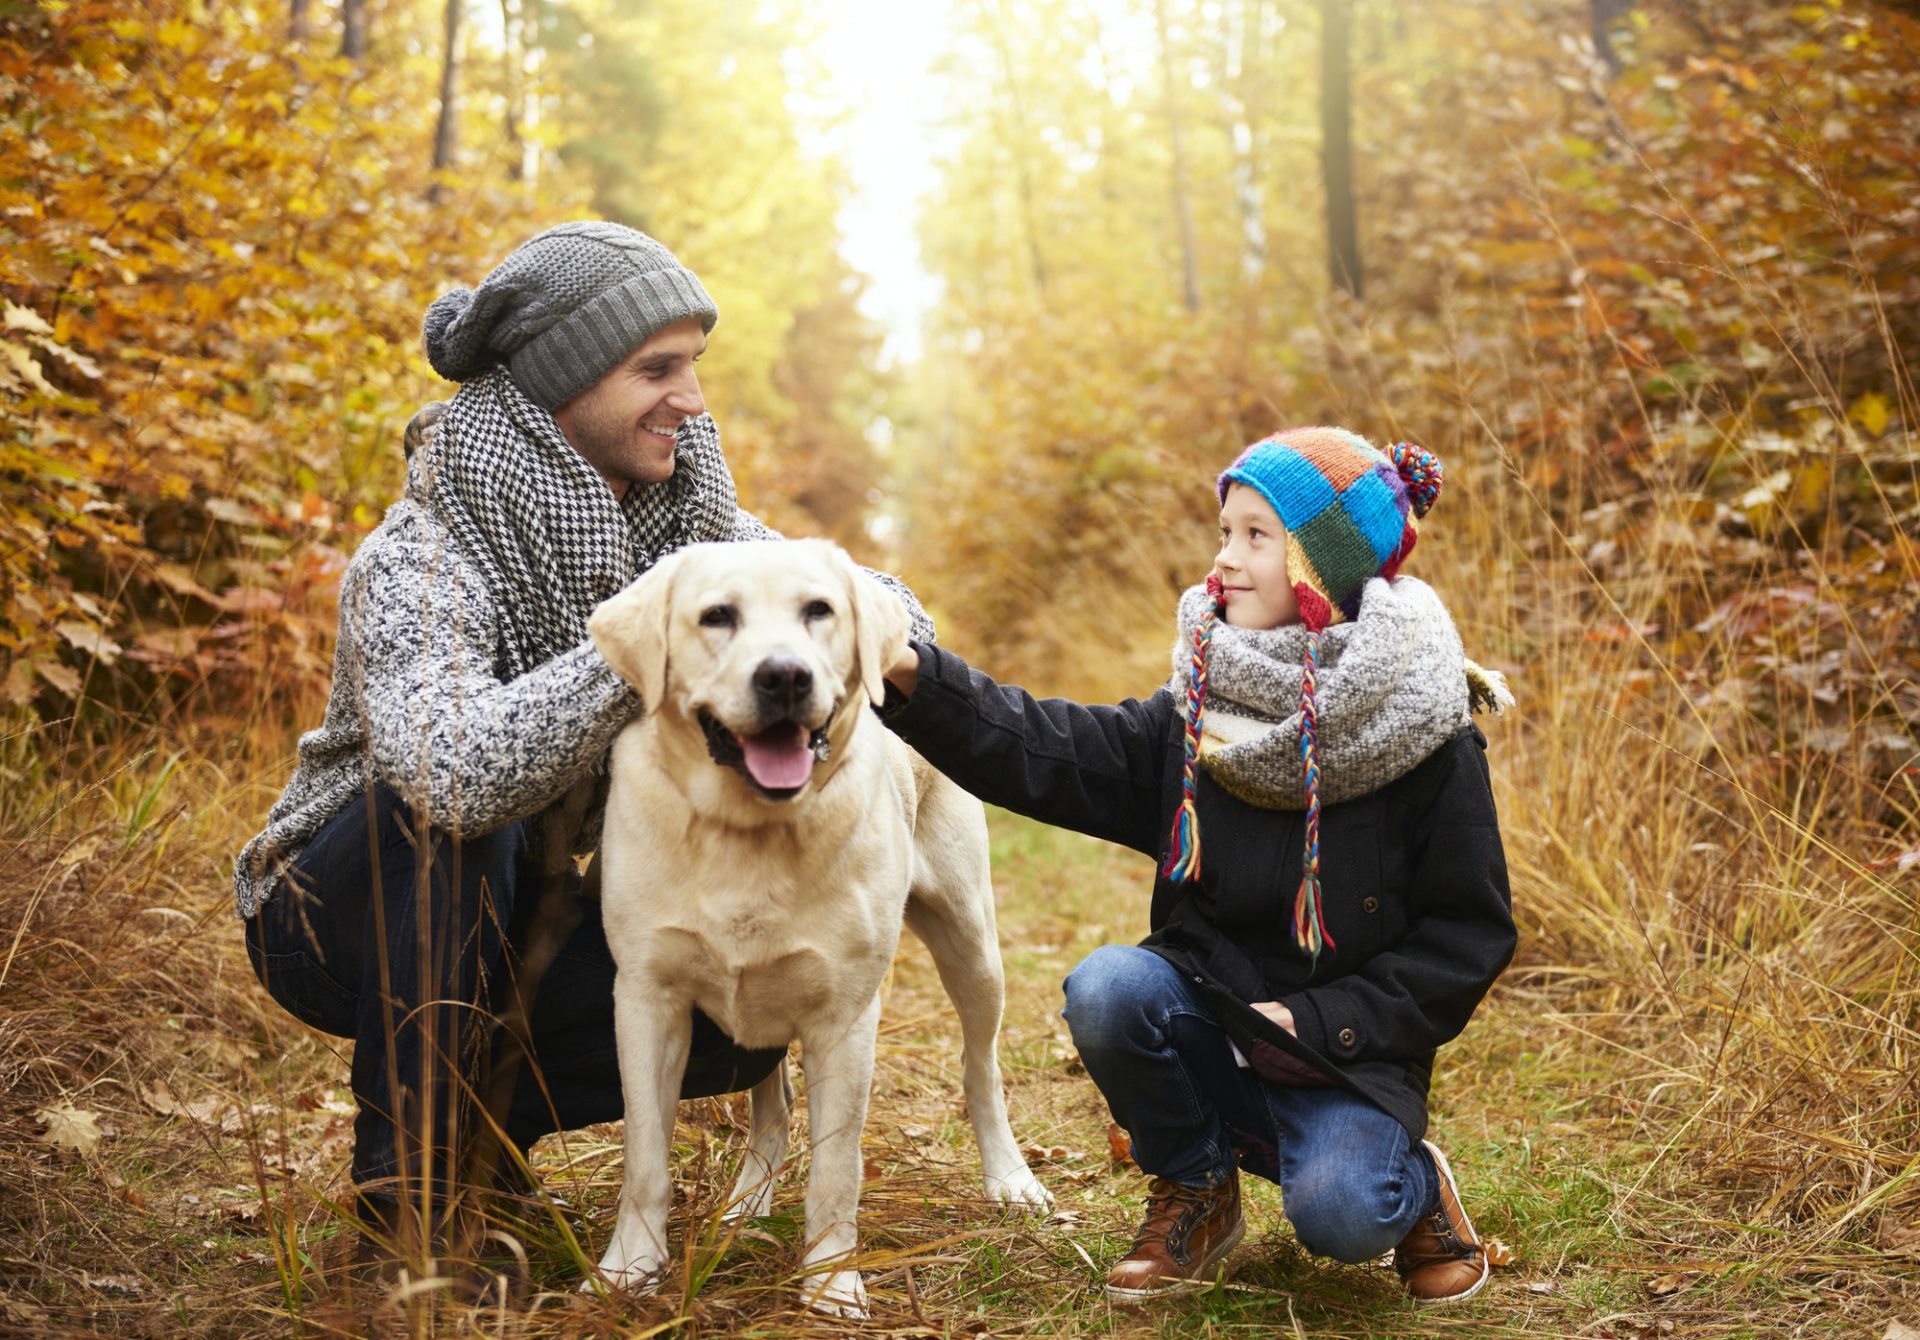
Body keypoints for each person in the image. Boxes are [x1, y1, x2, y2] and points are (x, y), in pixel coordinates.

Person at [232, 222, 932, 1271]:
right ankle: (408, 1210)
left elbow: (887, 607)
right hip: (336, 908)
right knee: (450, 827)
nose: (691, 399)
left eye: (693, 365)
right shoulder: (421, 555)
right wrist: (645, 645)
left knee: (743, 997)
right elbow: (455, 776)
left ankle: (481, 1144)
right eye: (657, 368)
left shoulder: (685, 530)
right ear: (563, 381)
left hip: (528, 917)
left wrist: (830, 630)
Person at [878, 427, 1514, 1306]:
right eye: (1225, 532)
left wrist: (1317, 1019)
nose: (1225, 560)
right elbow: (1046, 746)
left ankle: (1410, 1185)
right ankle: (1197, 1187)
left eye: (1257, 536)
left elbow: (1468, 934)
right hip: (1207, 1011)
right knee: (1107, 988)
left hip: (1346, 1053)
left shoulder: (1430, 738)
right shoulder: (1199, 713)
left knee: (1340, 1217)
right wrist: (910, 674)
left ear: (1323, 567)